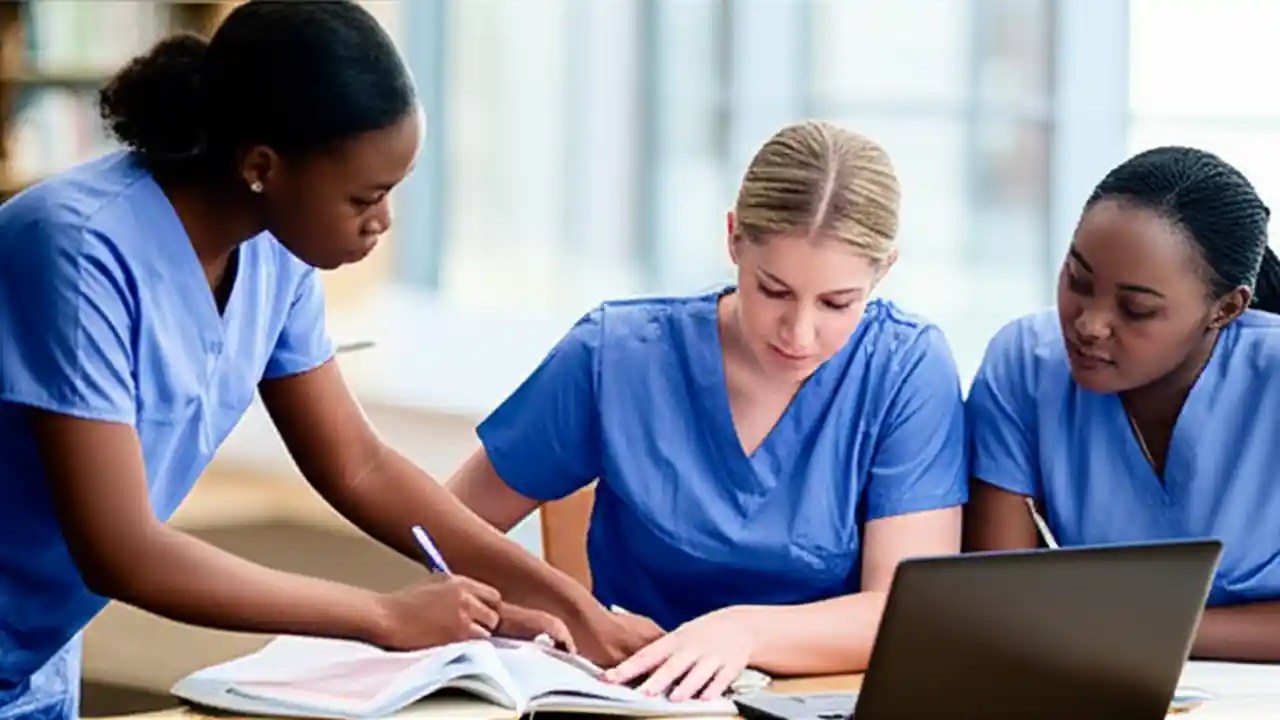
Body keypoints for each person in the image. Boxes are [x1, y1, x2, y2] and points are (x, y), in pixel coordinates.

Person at [0, 2, 656, 718]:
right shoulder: (74, 248)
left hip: (37, 652)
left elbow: (358, 466)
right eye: (364, 197)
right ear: (262, 167)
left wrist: (568, 605)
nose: (384, 221)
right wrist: (382, 616)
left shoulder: (275, 255)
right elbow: (121, 549)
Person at [447, 119, 969, 700]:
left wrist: (740, 631)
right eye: (773, 290)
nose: (799, 332)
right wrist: (563, 614)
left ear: (884, 271)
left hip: (819, 705)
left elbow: (901, 612)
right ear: (734, 239)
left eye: (837, 303)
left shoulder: (906, 369)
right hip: (630, 701)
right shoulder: (614, 355)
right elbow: (442, 532)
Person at [964, 145, 1280, 662]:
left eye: (1136, 309)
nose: (1088, 324)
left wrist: (1133, 628)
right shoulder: (1025, 363)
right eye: (1077, 280)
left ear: (1225, 309)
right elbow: (997, 606)